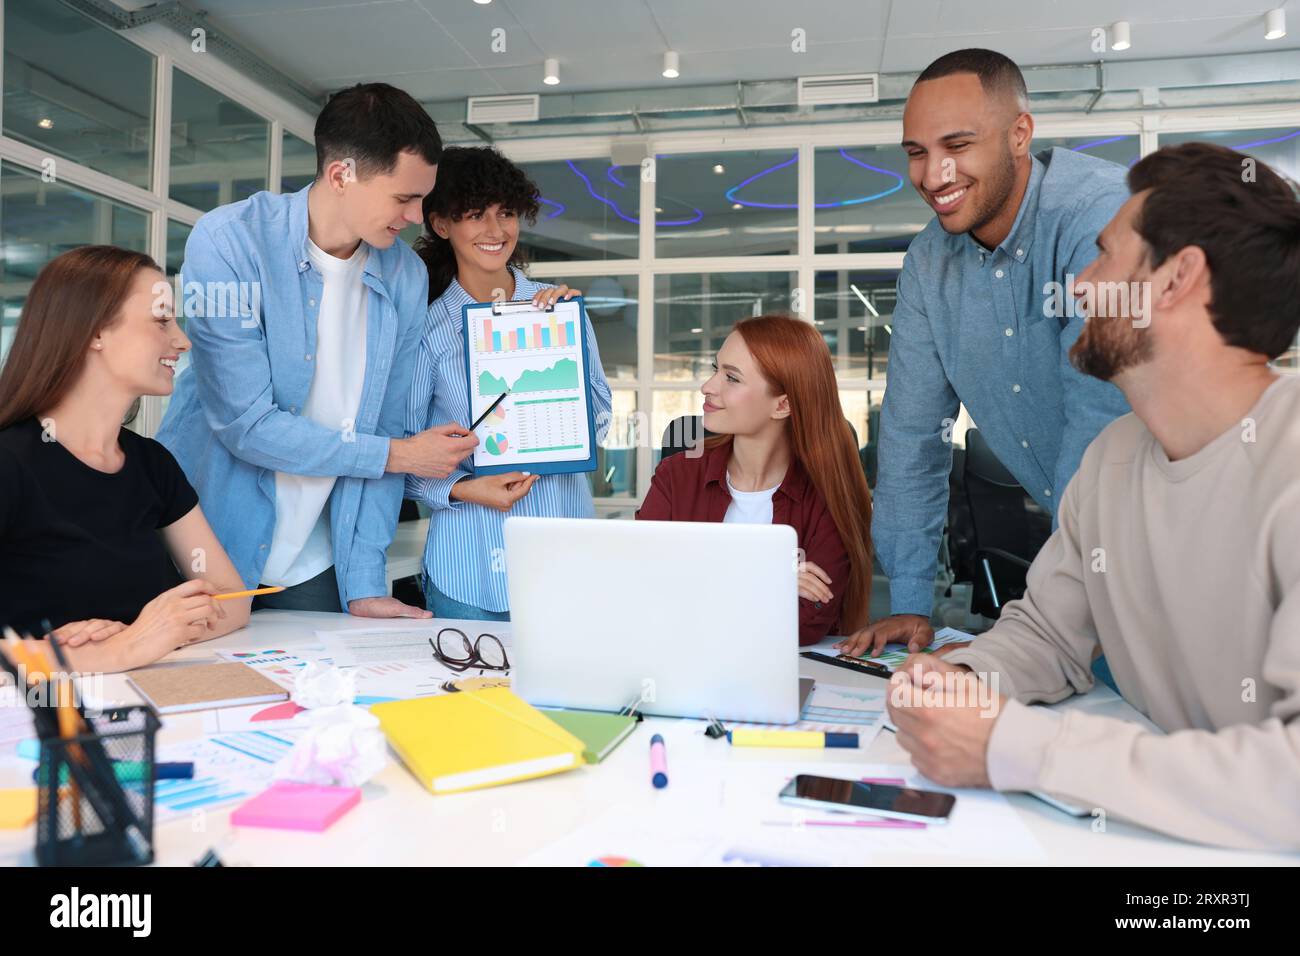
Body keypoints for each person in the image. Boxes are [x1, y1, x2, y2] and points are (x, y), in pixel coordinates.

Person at [884, 142, 1300, 850]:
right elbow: (1048, 637)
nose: (1078, 285)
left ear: (1176, 279)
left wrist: (1023, 749)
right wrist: (958, 676)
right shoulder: (1111, 463)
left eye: (1105, 257)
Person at [158, 83, 478, 619]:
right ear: (340, 175)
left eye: (423, 197)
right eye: (404, 198)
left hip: (315, 563)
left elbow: (390, 425)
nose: (419, 217)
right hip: (204, 546)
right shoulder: (229, 242)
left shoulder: (405, 275)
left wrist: (367, 583)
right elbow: (246, 425)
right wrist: (396, 455)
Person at [849, 49, 1130, 656]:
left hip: (1176, 549)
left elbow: (1100, 419)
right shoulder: (929, 263)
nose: (932, 175)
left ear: (1020, 134)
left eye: (957, 144)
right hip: (1082, 567)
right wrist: (909, 602)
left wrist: (1044, 632)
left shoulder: (1099, 218)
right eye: (917, 152)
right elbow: (912, 434)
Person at [0, 246, 250, 673]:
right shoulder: (9, 463)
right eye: (161, 319)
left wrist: (155, 633)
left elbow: (232, 599)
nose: (182, 340)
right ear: (95, 330)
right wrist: (123, 647)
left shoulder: (152, 463)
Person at [406, 146, 611, 620]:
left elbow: (599, 423)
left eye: (506, 213)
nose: (496, 231)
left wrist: (566, 346)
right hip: (469, 568)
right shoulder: (428, 331)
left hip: (567, 563)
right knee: (472, 695)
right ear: (442, 225)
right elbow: (402, 454)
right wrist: (463, 488)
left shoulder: (560, 314)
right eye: (475, 215)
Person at [637, 315, 872, 646]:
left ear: (783, 405)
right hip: (681, 665)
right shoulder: (677, 474)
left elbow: (805, 622)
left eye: (731, 377)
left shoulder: (825, 494)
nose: (708, 386)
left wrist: (693, 583)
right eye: (716, 368)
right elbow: (640, 587)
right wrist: (771, 578)